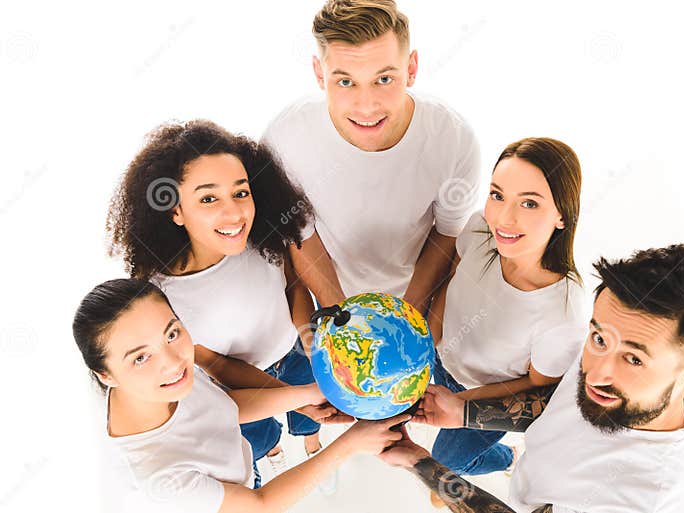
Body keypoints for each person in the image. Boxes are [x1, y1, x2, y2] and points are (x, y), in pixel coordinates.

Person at [381, 244, 684, 513]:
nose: (598, 372)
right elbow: (563, 401)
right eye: (598, 339)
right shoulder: (632, 376)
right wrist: (464, 412)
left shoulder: (646, 497)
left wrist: (419, 462)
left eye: (633, 358)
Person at [106, 120, 336, 488]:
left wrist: (308, 337)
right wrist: (289, 398)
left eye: (241, 193)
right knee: (260, 438)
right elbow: (215, 363)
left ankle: (313, 446)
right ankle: (275, 454)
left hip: (294, 352)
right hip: (240, 386)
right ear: (175, 211)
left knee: (314, 415)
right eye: (208, 198)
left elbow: (293, 283)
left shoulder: (262, 236)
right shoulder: (162, 298)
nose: (234, 214)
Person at [72, 278, 409, 513]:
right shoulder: (158, 481)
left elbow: (221, 409)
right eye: (141, 357)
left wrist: (308, 394)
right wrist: (350, 444)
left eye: (172, 333)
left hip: (238, 476)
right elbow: (260, 507)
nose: (175, 361)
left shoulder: (157, 385)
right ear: (105, 375)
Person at [262, 0, 482, 313]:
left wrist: (407, 316)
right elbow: (301, 235)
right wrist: (343, 320)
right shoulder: (285, 138)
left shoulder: (455, 140)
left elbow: (447, 233)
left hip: (413, 295)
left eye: (383, 79)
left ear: (411, 69)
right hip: (330, 296)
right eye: (345, 81)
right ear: (319, 75)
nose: (367, 106)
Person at [427, 137, 587, 479]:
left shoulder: (562, 313)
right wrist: (430, 338)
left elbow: (535, 384)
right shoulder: (480, 228)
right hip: (440, 360)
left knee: (446, 462)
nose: (504, 218)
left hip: (483, 397)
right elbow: (453, 279)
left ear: (562, 215)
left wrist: (463, 403)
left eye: (529, 204)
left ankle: (507, 459)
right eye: (497, 195)